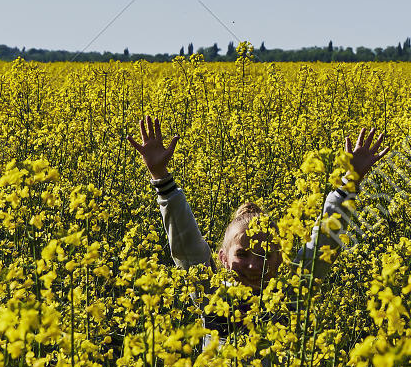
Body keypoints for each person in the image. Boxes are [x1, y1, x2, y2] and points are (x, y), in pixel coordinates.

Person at [126, 116, 389, 342]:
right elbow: (186, 244)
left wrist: (349, 183)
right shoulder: (211, 294)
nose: (254, 266)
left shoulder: (288, 295)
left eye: (267, 254)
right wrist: (161, 177)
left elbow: (323, 245)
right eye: (243, 254)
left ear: (281, 258)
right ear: (222, 258)